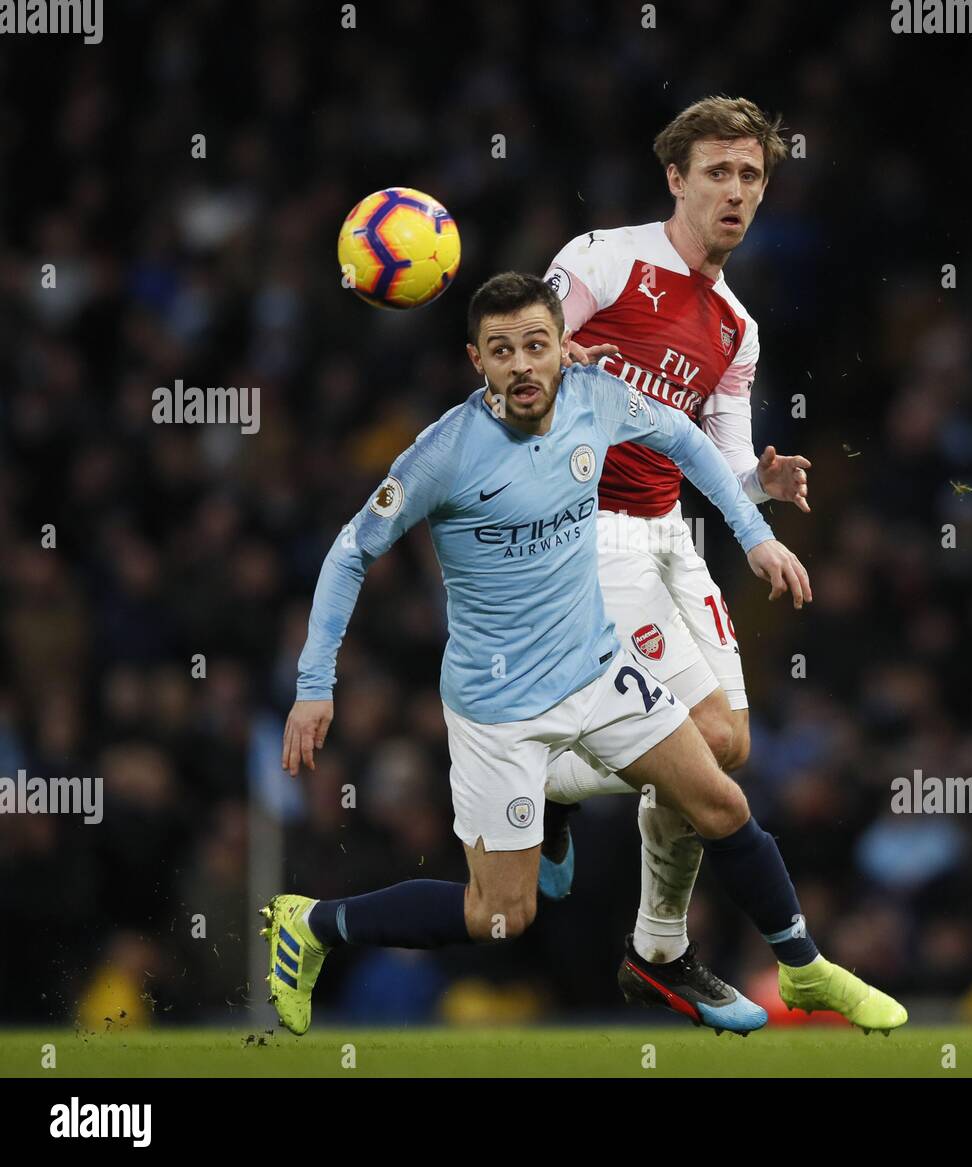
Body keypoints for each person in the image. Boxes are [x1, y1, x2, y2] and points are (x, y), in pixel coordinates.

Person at [264, 272, 907, 1038]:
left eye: (537, 345)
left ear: (561, 347)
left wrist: (756, 535)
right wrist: (315, 683)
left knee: (721, 800)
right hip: (496, 711)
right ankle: (313, 925)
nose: (523, 365)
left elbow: (685, 441)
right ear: (478, 361)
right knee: (500, 914)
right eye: (503, 351)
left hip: (602, 672)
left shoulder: (596, 399)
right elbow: (349, 552)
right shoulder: (444, 451)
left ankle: (802, 966)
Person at [536, 95, 813, 1017]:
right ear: (676, 179)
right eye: (718, 173)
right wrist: (547, 357)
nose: (736, 192)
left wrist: (762, 486)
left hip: (668, 536)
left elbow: (725, 464)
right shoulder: (601, 260)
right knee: (696, 755)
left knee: (726, 745)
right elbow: (512, 362)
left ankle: (557, 786)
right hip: (585, 534)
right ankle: (658, 945)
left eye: (752, 177)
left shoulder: (736, 326)